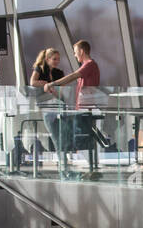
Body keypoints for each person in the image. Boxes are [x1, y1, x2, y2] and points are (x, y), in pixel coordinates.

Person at [43, 41, 104, 173]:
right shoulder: (87, 66)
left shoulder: (90, 65)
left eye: (76, 52)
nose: (75, 55)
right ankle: (67, 161)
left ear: (82, 51)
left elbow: (73, 76)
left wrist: (53, 83)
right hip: (82, 109)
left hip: (87, 109)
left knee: (81, 138)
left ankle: (82, 167)